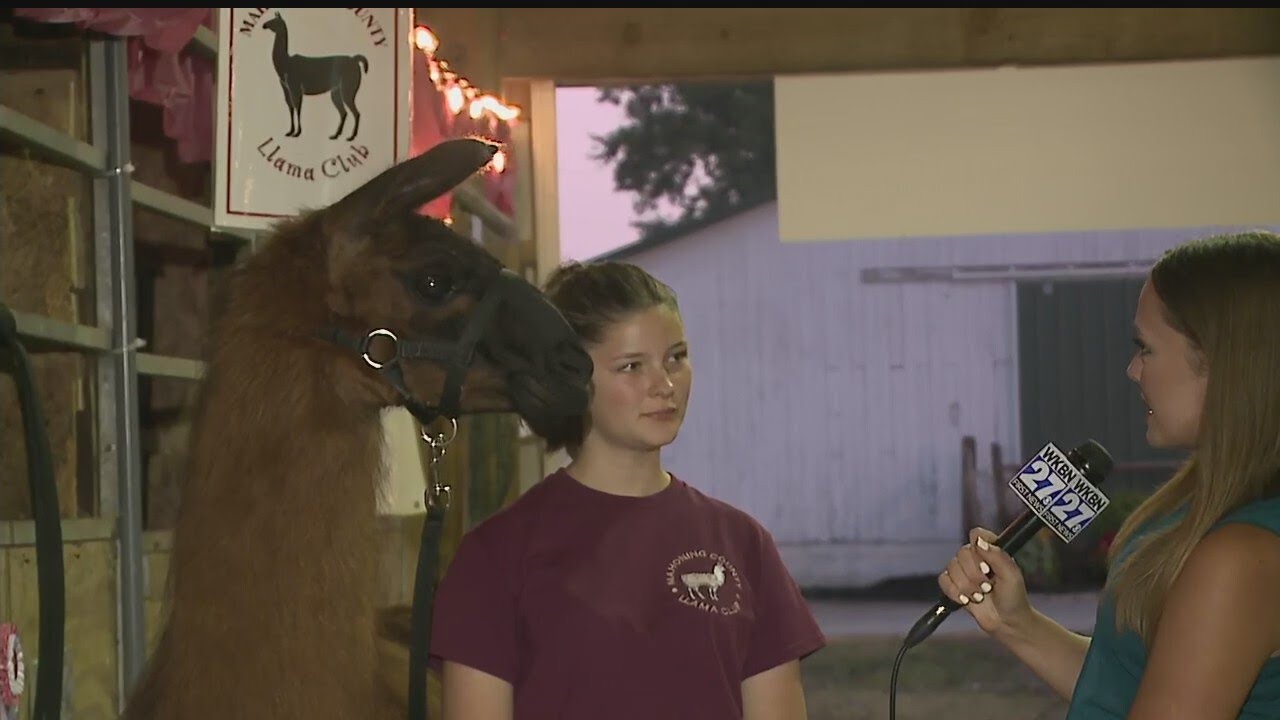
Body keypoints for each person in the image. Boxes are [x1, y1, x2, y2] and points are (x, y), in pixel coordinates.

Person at [429, 260, 827, 719]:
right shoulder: (497, 555)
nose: (664, 385)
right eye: (632, 366)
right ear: (570, 377)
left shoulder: (742, 543)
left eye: (676, 357)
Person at [938, 229, 1280, 719]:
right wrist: (1018, 624)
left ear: (1225, 363)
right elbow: (1129, 691)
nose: (1132, 370)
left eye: (1146, 348)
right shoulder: (1199, 504)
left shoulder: (1241, 557)